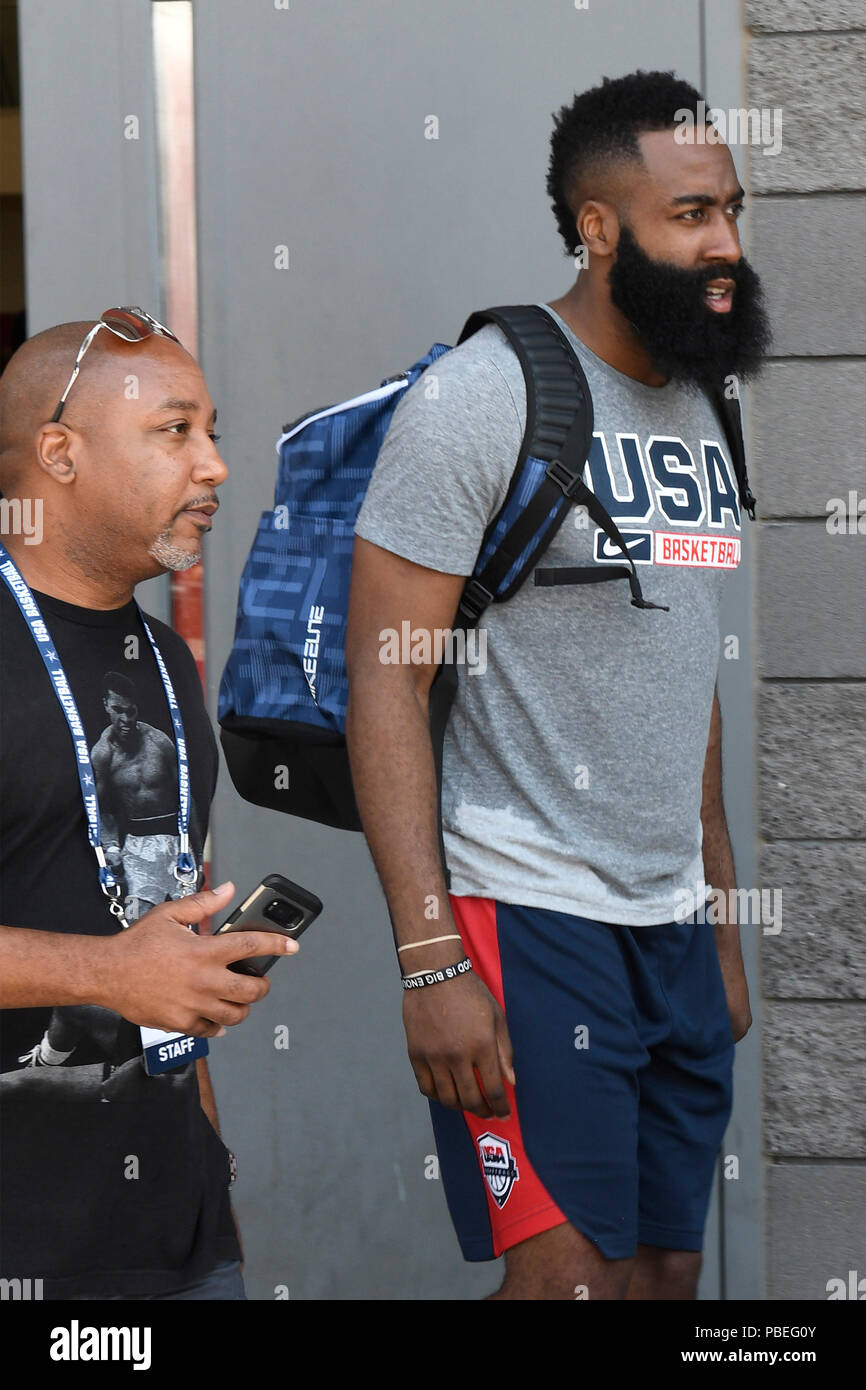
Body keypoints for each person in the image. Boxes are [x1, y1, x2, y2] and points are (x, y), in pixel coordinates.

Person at [346, 71, 771, 1300]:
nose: (724, 244)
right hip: (523, 909)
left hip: (671, 924)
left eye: (728, 210)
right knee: (569, 1288)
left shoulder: (701, 396)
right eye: (690, 214)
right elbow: (385, 686)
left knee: (660, 1282)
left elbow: (679, 664)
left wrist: (719, 907)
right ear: (597, 228)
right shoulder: (479, 399)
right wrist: (430, 961)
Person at [0, 309, 297, 1300]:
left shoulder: (163, 660)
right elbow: (124, 965)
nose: (212, 466)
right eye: (175, 431)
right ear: (60, 452)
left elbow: (160, 929)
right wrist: (110, 973)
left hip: (174, 1237)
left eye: (213, 431)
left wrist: (211, 1180)